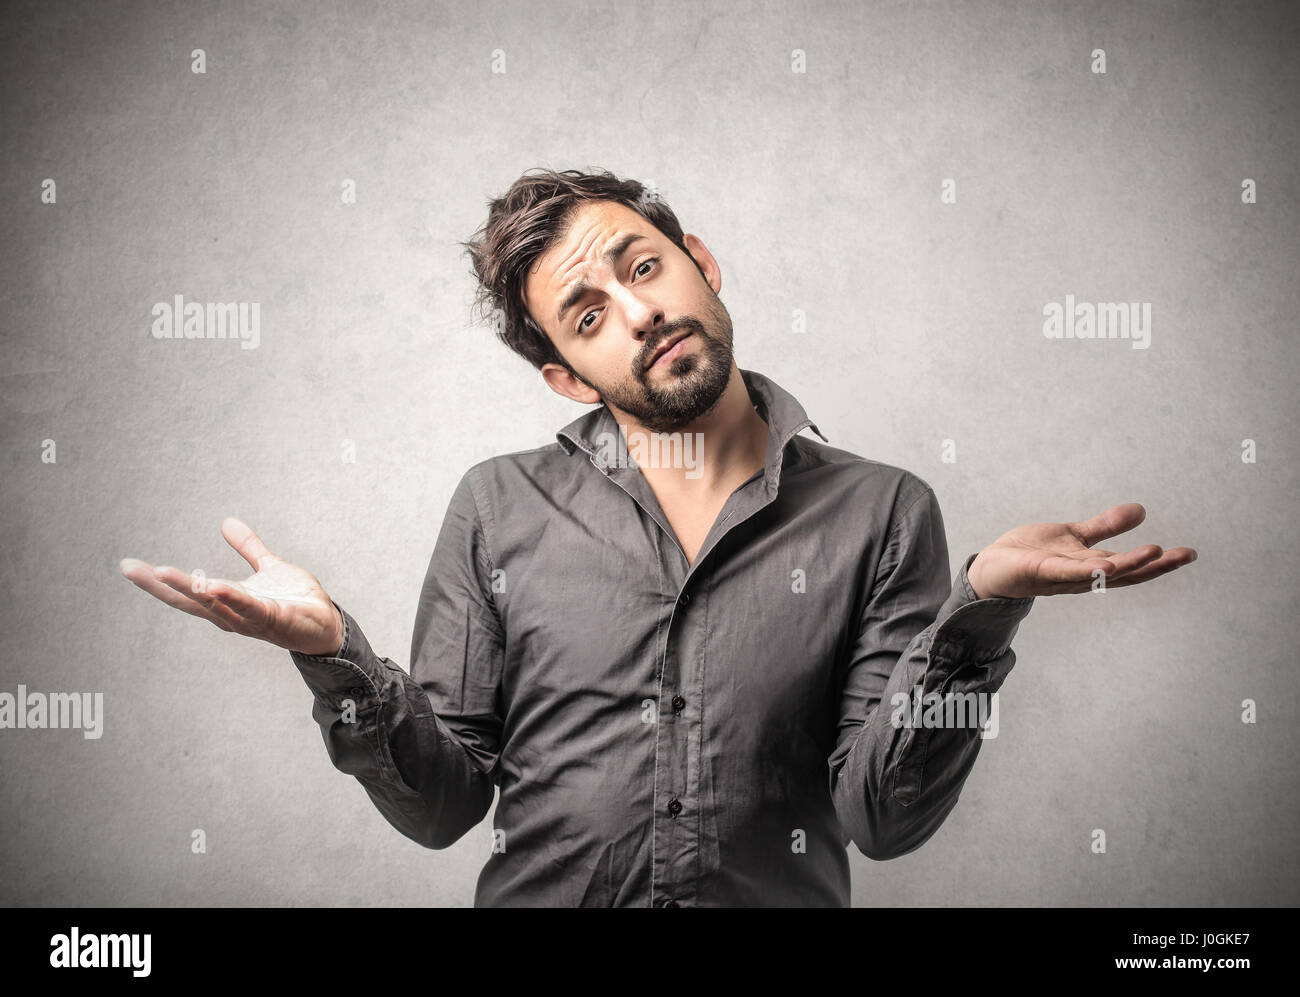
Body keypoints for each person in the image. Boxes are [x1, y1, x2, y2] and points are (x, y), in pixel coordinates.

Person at [120, 168, 1197, 907]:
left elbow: (882, 817)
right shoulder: (497, 506)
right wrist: (330, 656)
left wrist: (981, 610)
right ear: (561, 373)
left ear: (699, 259)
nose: (635, 313)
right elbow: (444, 804)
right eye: (585, 317)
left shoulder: (883, 511)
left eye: (640, 267)